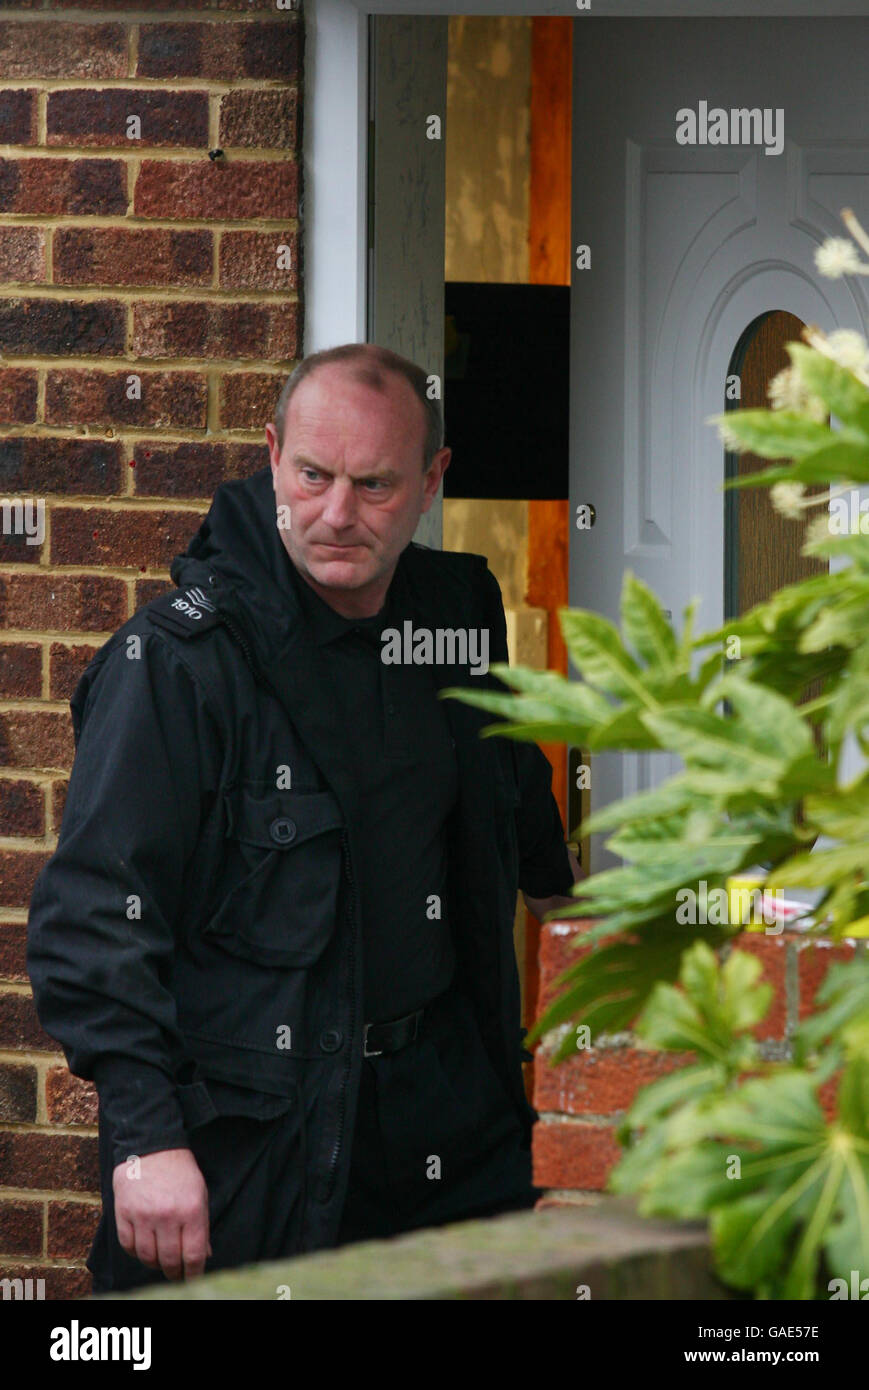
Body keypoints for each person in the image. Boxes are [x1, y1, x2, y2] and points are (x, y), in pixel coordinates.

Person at [27, 343, 580, 1292]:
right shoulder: (177, 665)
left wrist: (598, 933)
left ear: (430, 482)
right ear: (273, 453)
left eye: (374, 485)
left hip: (442, 1120)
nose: (336, 514)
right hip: (254, 1144)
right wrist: (147, 1142)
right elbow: (93, 920)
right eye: (314, 476)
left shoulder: (452, 624)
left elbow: (513, 801)